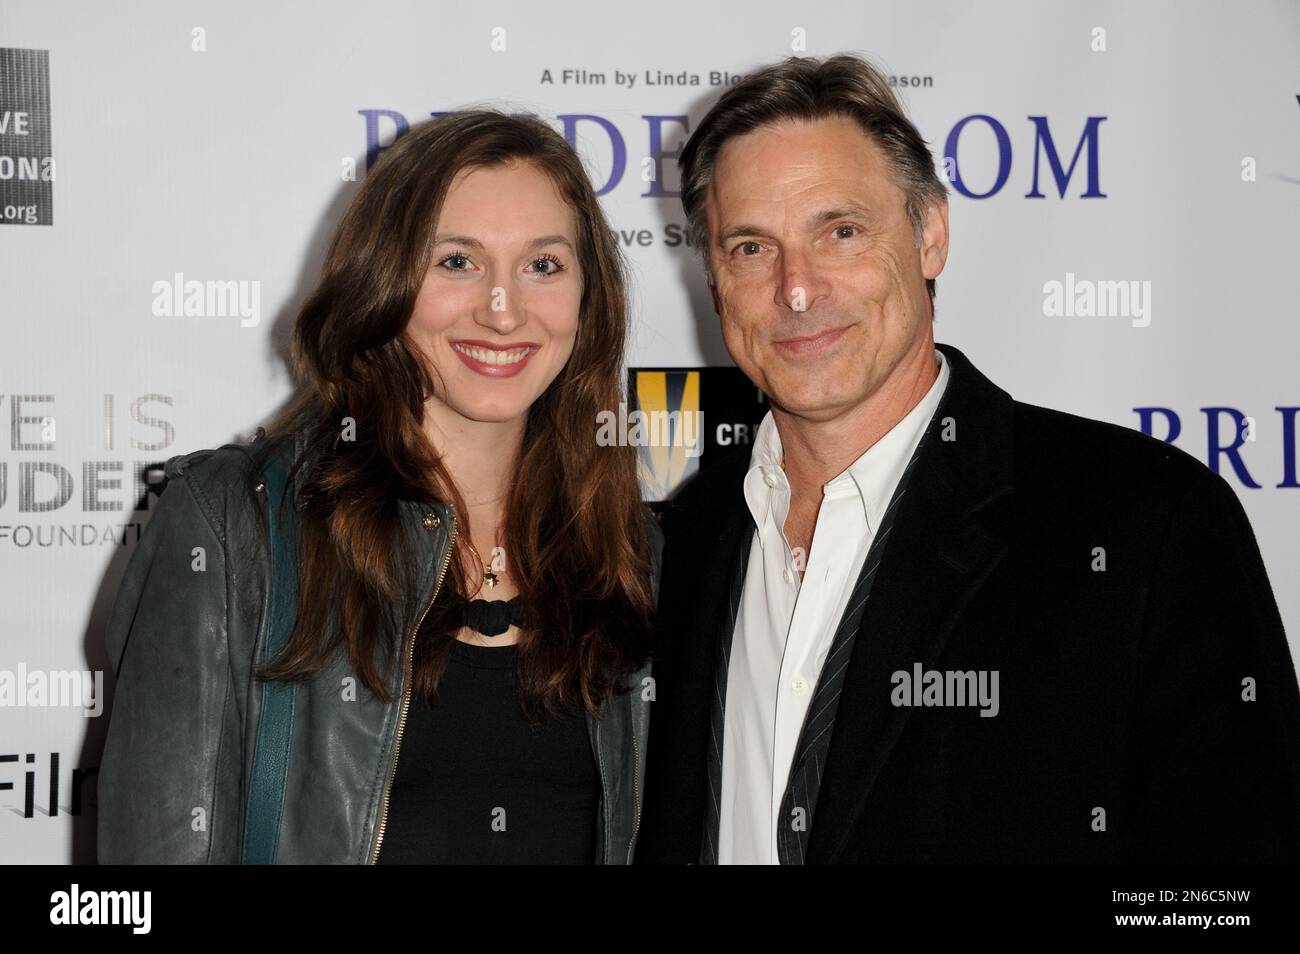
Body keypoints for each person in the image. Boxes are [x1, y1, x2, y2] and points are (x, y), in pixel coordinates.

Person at [635, 53, 1300, 864]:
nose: (797, 288)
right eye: (749, 248)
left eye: (840, 231)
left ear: (931, 236)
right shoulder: (690, 537)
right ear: (712, 281)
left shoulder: (1144, 523)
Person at [97, 110, 662, 864]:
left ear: (589, 297)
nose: (504, 310)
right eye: (457, 262)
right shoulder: (234, 525)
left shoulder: (630, 549)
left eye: (543, 265)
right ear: (385, 283)